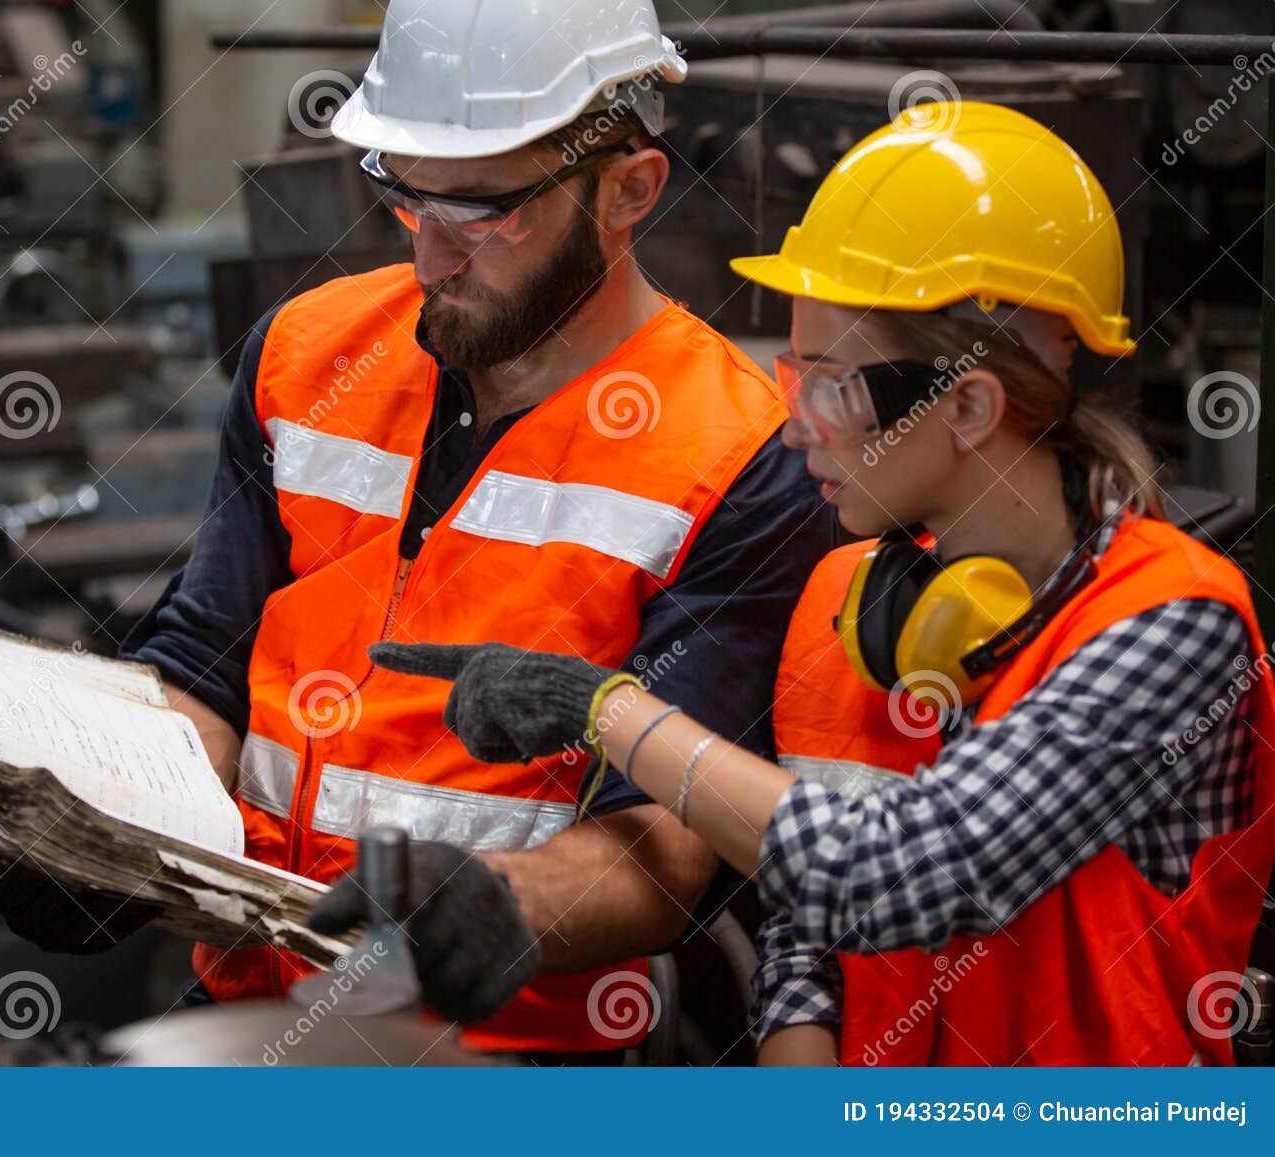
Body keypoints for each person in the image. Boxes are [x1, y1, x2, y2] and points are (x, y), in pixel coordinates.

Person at [0, 0, 833, 1060]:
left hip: (509, 1053)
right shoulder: (309, 354)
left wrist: (499, 902)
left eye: (484, 211)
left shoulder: (739, 456)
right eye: (400, 191)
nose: (433, 255)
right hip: (248, 1007)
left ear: (628, 190)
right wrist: (115, 828)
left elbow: (664, 842)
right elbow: (205, 657)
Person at [364, 102, 1275, 1066]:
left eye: (831, 380)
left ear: (968, 399)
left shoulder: (1172, 624)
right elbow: (801, 914)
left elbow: (899, 871)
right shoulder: (854, 599)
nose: (796, 424)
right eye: (793, 368)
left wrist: (608, 713)